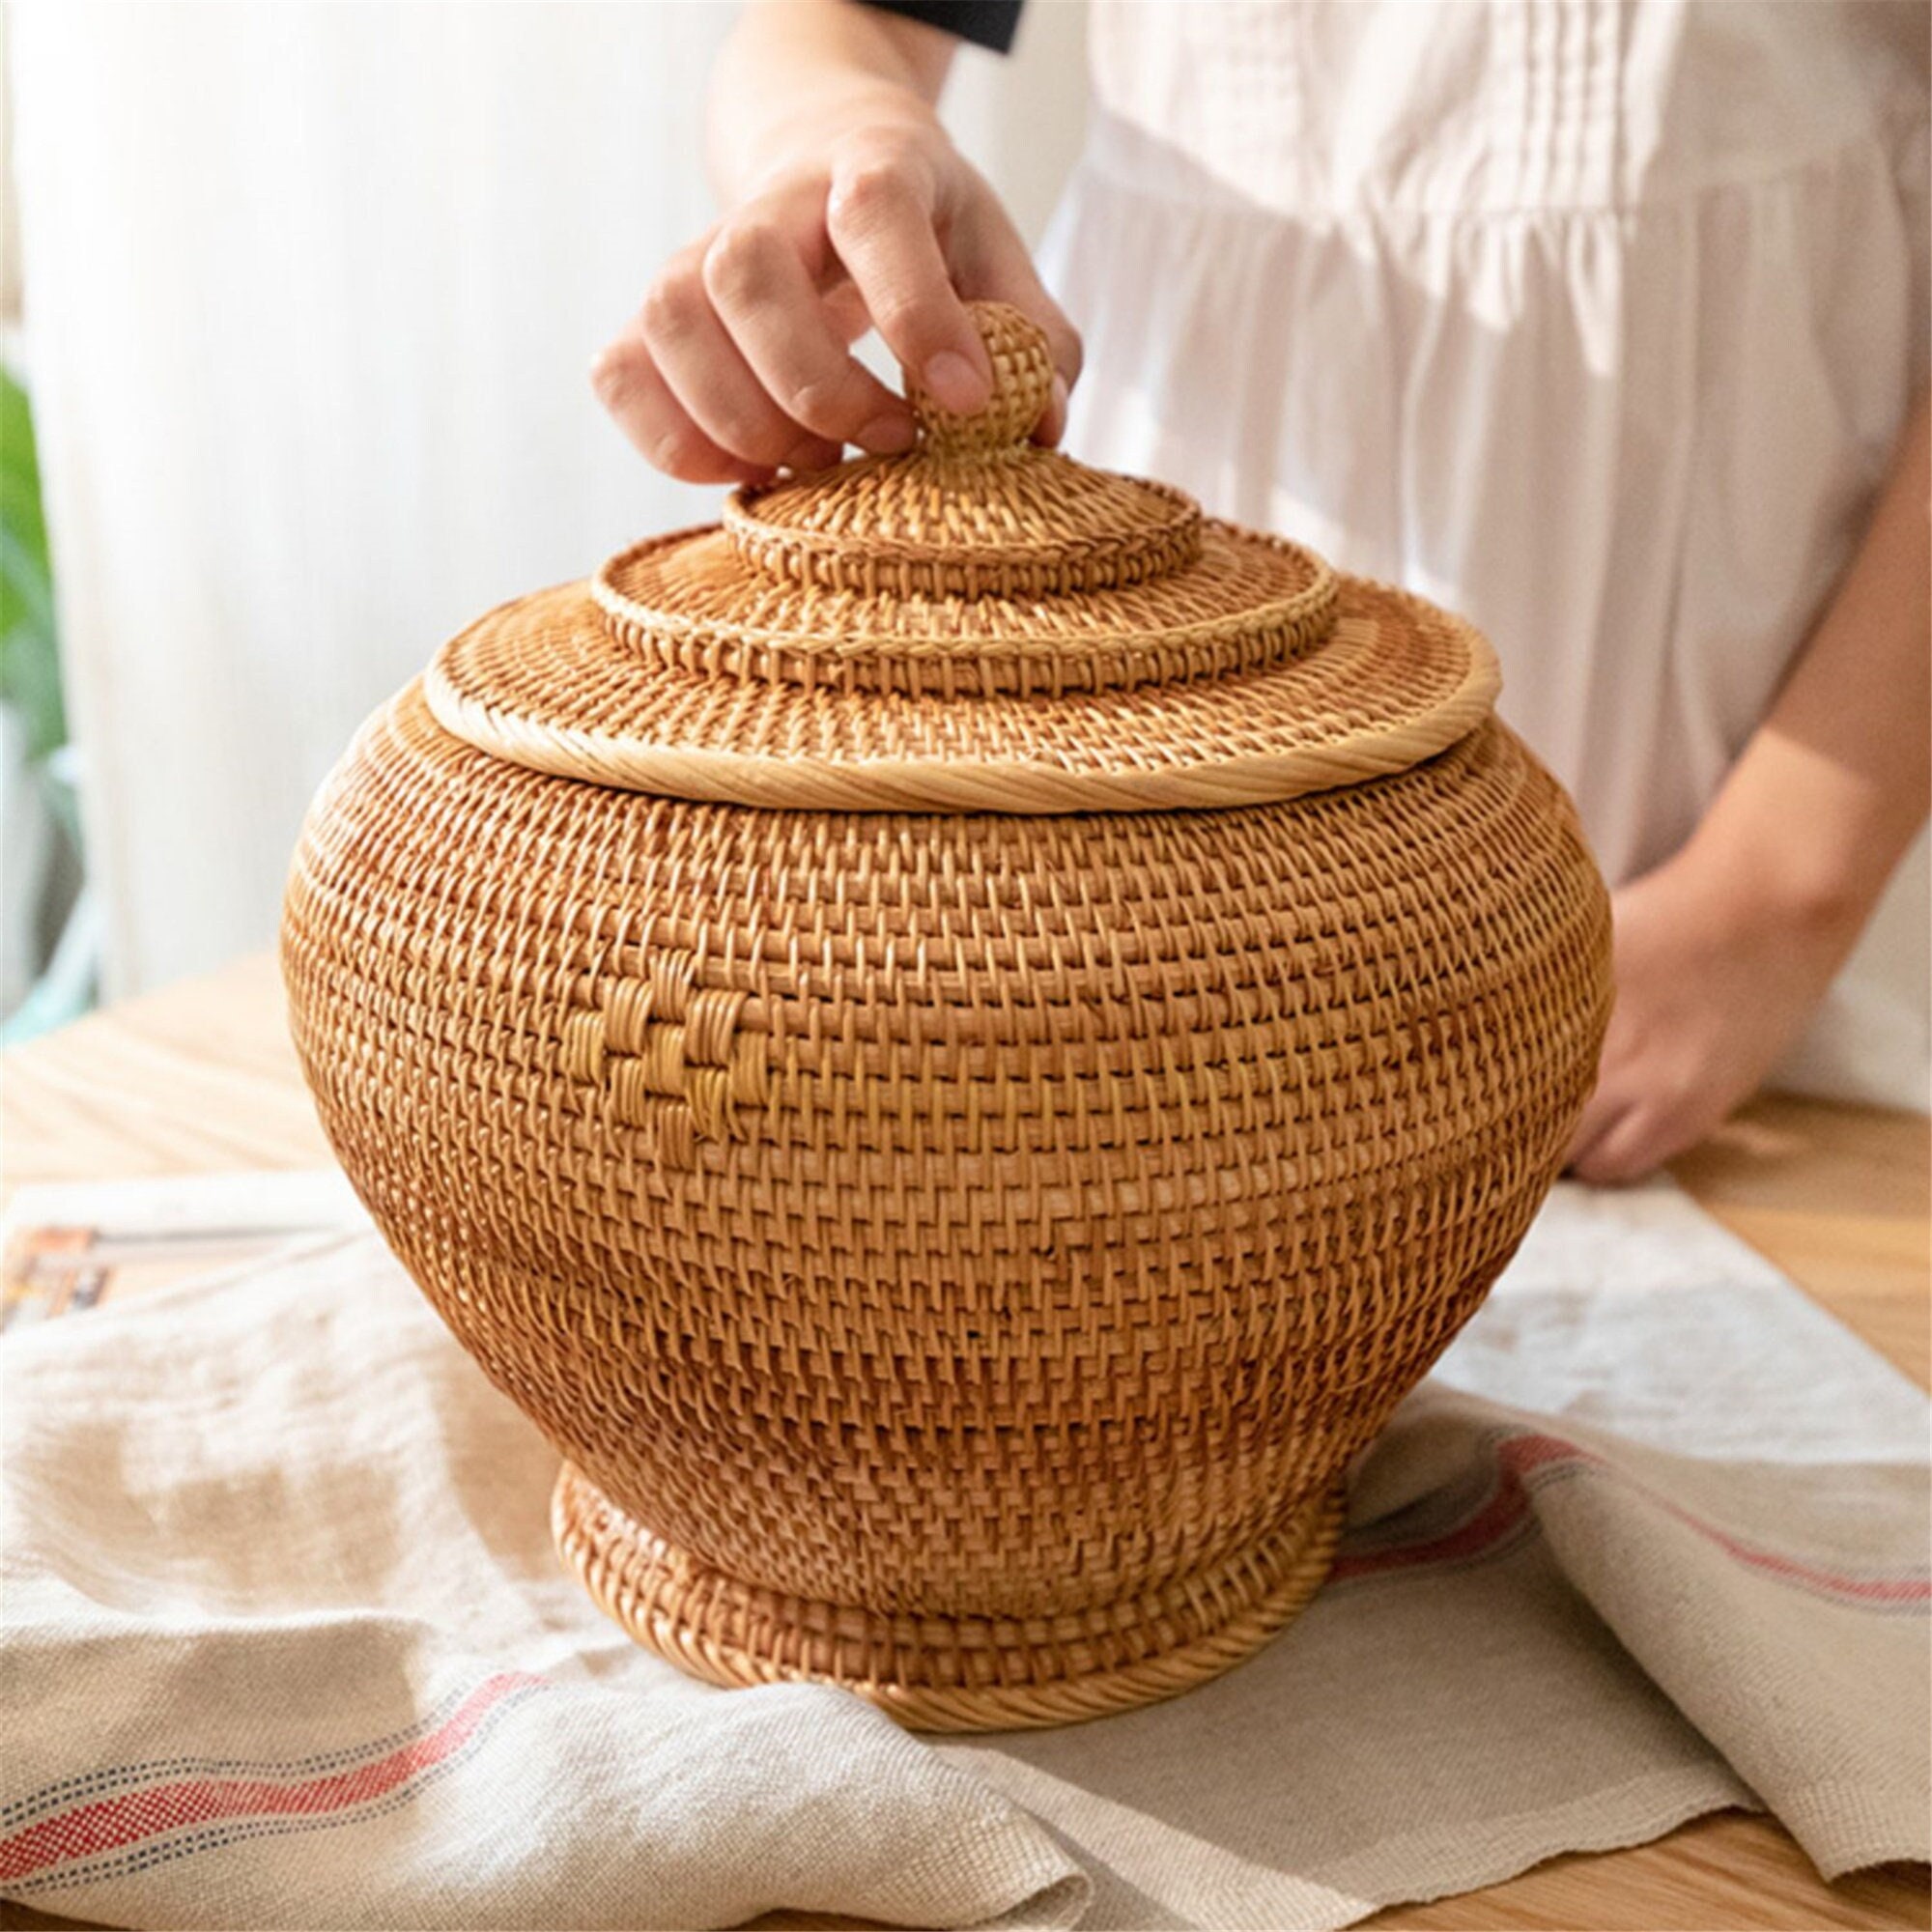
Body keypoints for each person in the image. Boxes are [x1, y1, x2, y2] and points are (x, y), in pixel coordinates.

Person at [590, 0, 1931, 1183]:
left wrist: (1773, 892)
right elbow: (840, 20)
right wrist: (846, 134)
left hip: (1779, 847)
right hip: (1157, 775)